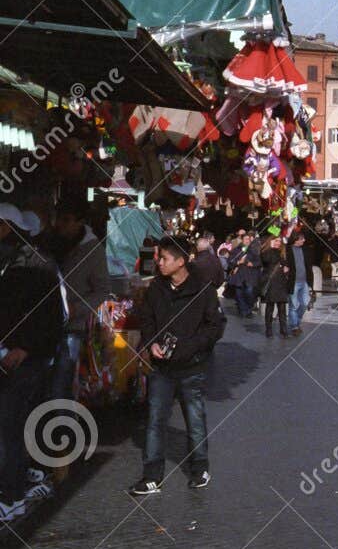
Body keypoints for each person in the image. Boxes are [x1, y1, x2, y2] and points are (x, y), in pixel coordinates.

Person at [130, 235, 224, 496]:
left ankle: (200, 468)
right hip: (162, 367)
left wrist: (191, 347)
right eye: (159, 258)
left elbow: (215, 326)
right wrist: (151, 344)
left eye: (164, 258)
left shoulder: (202, 289)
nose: (159, 262)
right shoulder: (156, 289)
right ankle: (151, 475)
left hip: (191, 366)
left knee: (194, 418)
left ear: (180, 262)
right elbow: (146, 320)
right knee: (155, 419)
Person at [0, 206, 65, 520]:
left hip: (27, 359)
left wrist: (24, 348)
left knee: (9, 426)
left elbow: (52, 317)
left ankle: (12, 497)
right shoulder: (14, 261)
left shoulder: (34, 265)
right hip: (14, 356)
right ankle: (24, 478)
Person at [45, 197, 112, 400]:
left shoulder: (93, 250)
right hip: (43, 325)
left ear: (80, 221)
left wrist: (75, 309)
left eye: (66, 220)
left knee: (62, 384)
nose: (60, 225)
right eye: (58, 219)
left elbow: (102, 290)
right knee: (43, 381)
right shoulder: (51, 243)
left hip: (71, 328)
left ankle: (57, 428)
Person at [286, 223, 314, 337]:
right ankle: (294, 326)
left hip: (304, 282)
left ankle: (296, 322)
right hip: (293, 281)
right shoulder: (287, 251)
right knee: (293, 305)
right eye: (301, 239)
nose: (304, 240)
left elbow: (309, 266)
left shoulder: (305, 250)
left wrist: (311, 282)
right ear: (295, 239)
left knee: (304, 304)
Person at [260, 235, 290, 339]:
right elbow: (267, 260)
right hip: (271, 282)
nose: (278, 243)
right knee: (270, 307)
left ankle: (284, 329)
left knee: (282, 308)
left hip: (281, 282)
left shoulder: (282, 252)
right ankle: (268, 329)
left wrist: (285, 266)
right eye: (276, 241)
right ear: (271, 241)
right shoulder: (266, 251)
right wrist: (271, 247)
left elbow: (286, 263)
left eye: (279, 241)